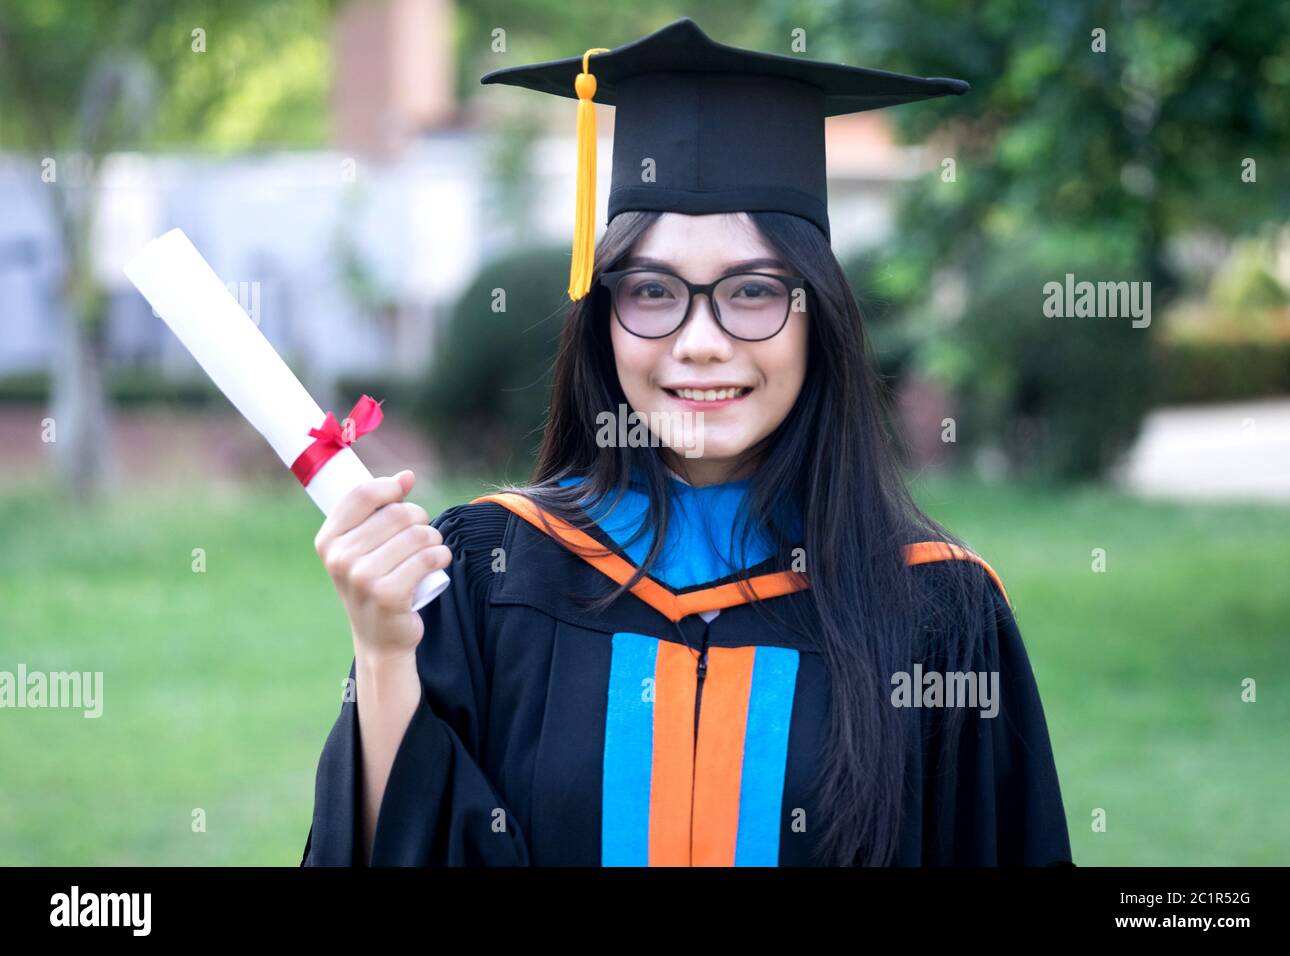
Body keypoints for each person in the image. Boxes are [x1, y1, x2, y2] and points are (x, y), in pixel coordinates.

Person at [301, 18, 1072, 867]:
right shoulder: (492, 574)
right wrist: (381, 649)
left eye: (751, 291)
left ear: (820, 317)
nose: (700, 342)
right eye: (654, 291)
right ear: (603, 319)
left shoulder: (940, 614)